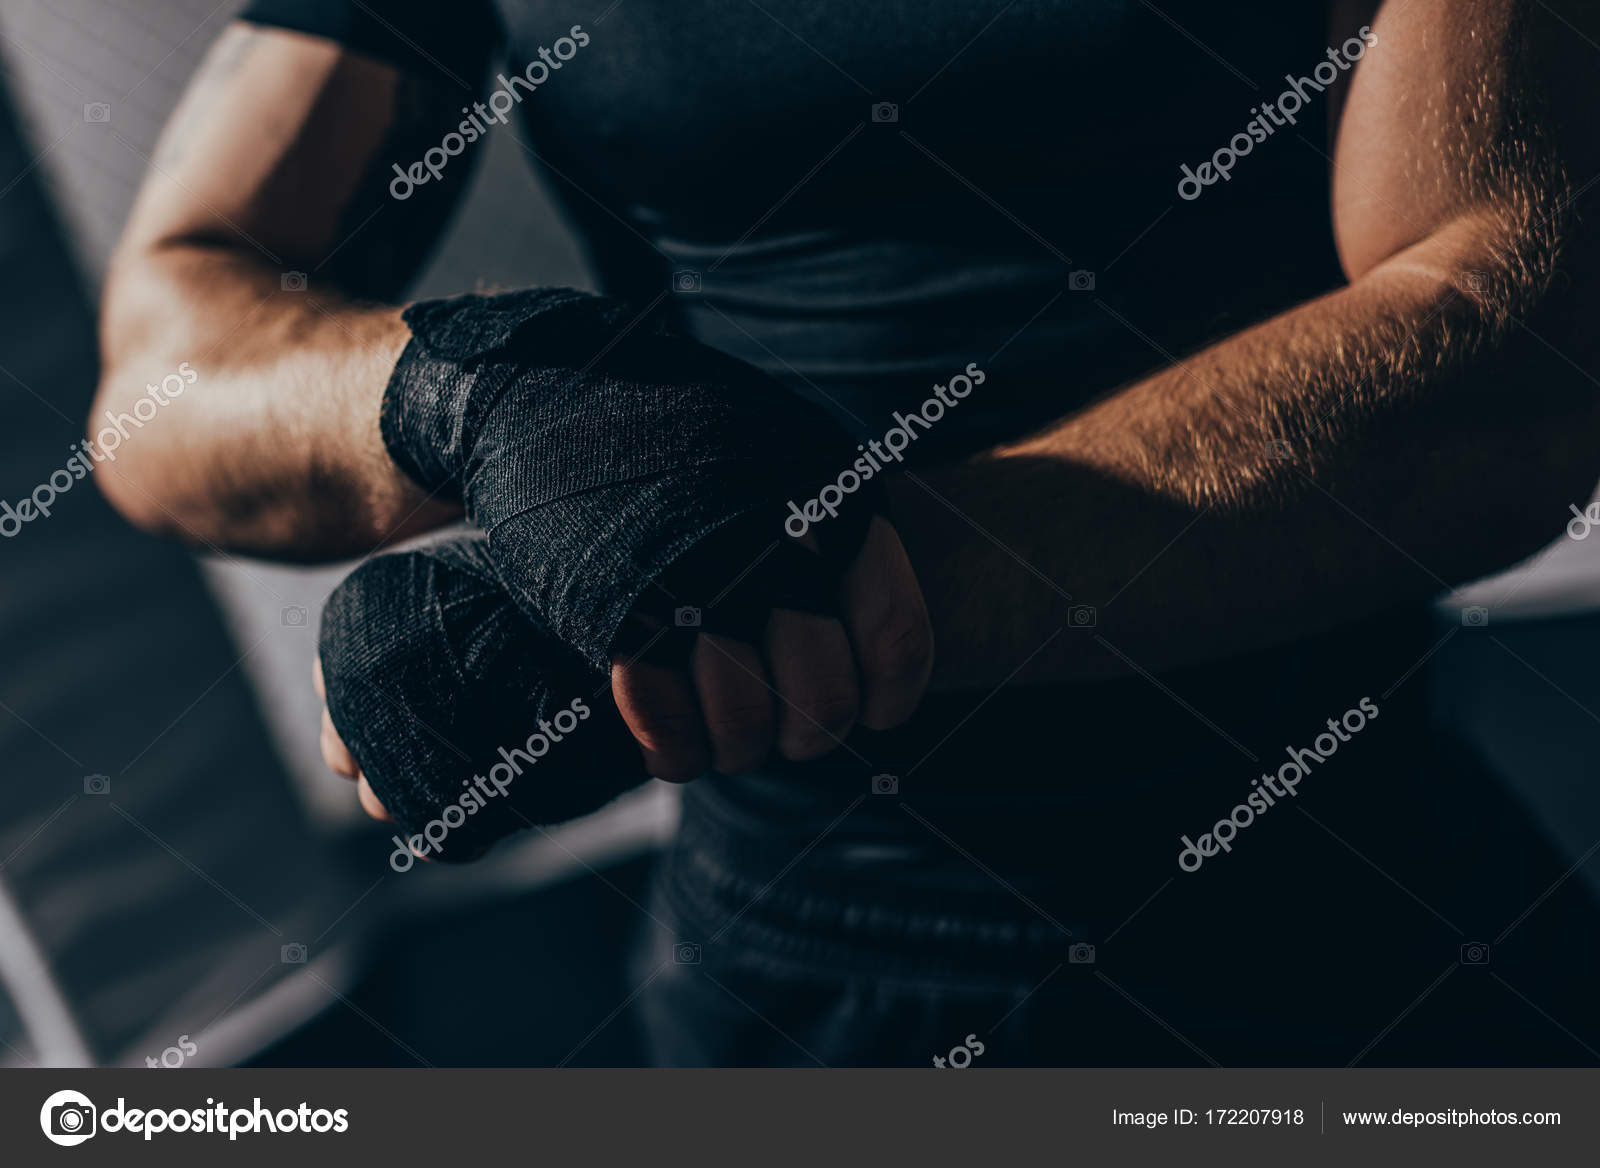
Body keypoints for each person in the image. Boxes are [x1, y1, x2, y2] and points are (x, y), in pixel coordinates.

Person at [95, 0, 1600, 1065]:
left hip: (1347, 925)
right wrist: (480, 402)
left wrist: (759, 605)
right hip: (791, 972)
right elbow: (162, 374)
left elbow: (1501, 346)